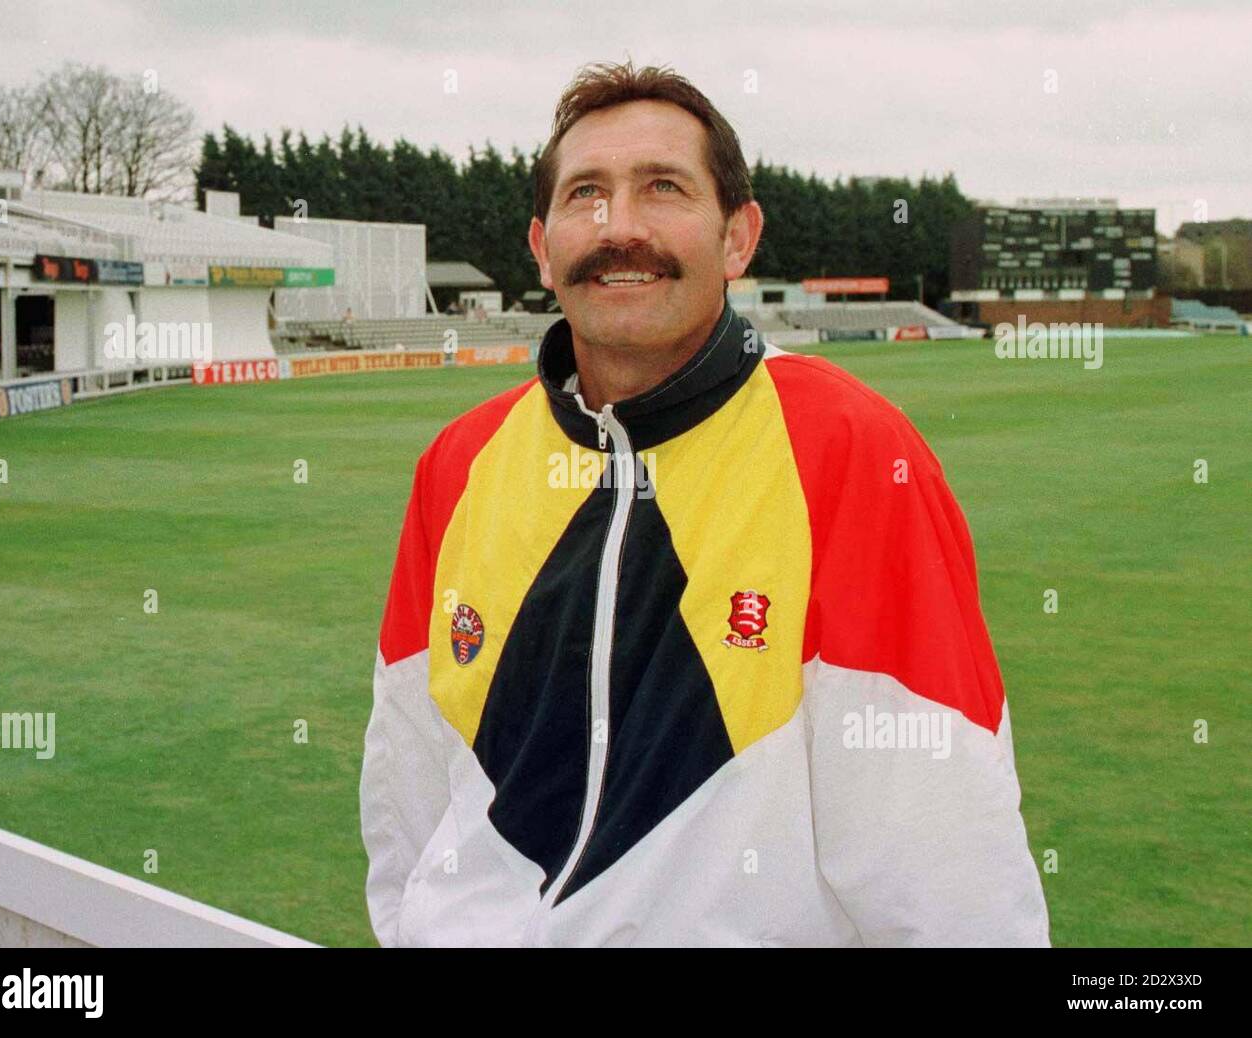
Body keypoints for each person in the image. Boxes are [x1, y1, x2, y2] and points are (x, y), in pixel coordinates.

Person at [360, 59, 1050, 948]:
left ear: (738, 236)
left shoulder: (848, 451)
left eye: (663, 188)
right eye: (586, 195)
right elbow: (407, 783)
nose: (621, 227)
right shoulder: (457, 465)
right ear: (542, 245)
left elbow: (944, 840)